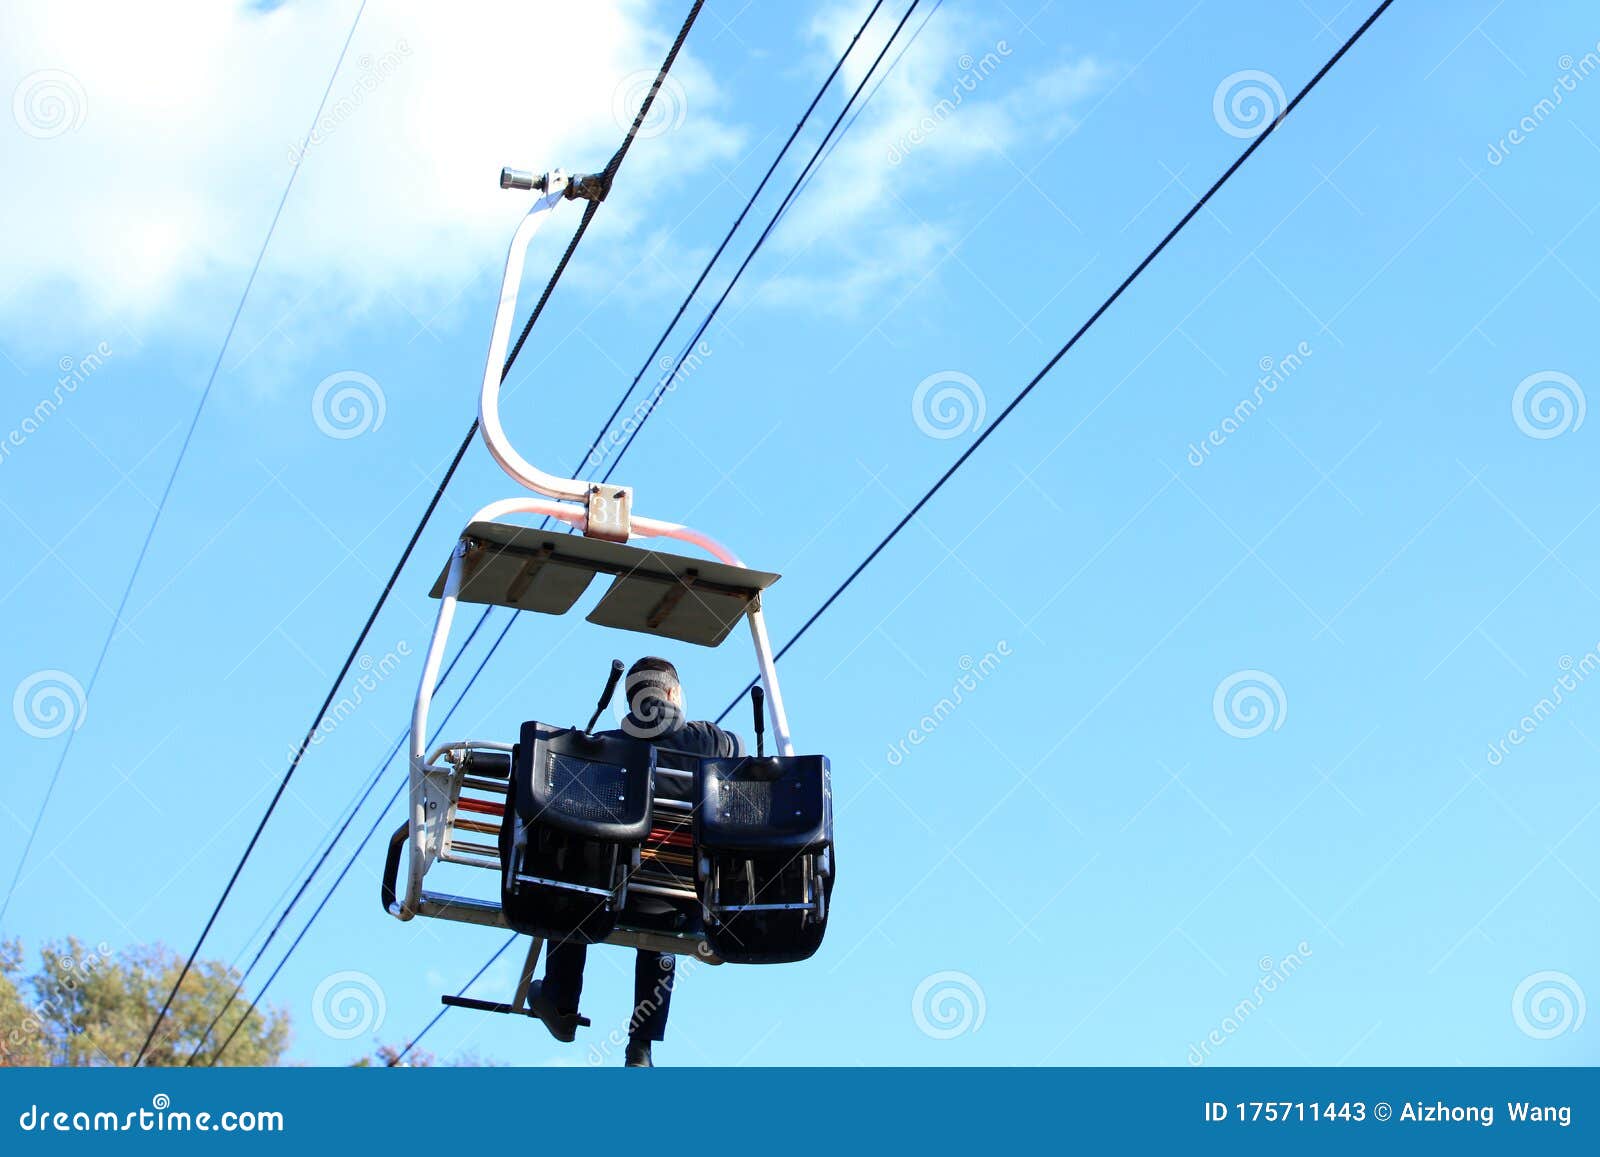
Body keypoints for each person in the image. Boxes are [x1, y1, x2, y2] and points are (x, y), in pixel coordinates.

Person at [526, 656, 743, 1067]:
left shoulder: (604, 748)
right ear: (674, 694)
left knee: (572, 874)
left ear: (630, 702)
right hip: (680, 901)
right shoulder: (712, 742)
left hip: (608, 893)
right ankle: (640, 1045)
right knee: (667, 912)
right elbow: (737, 750)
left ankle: (560, 999)